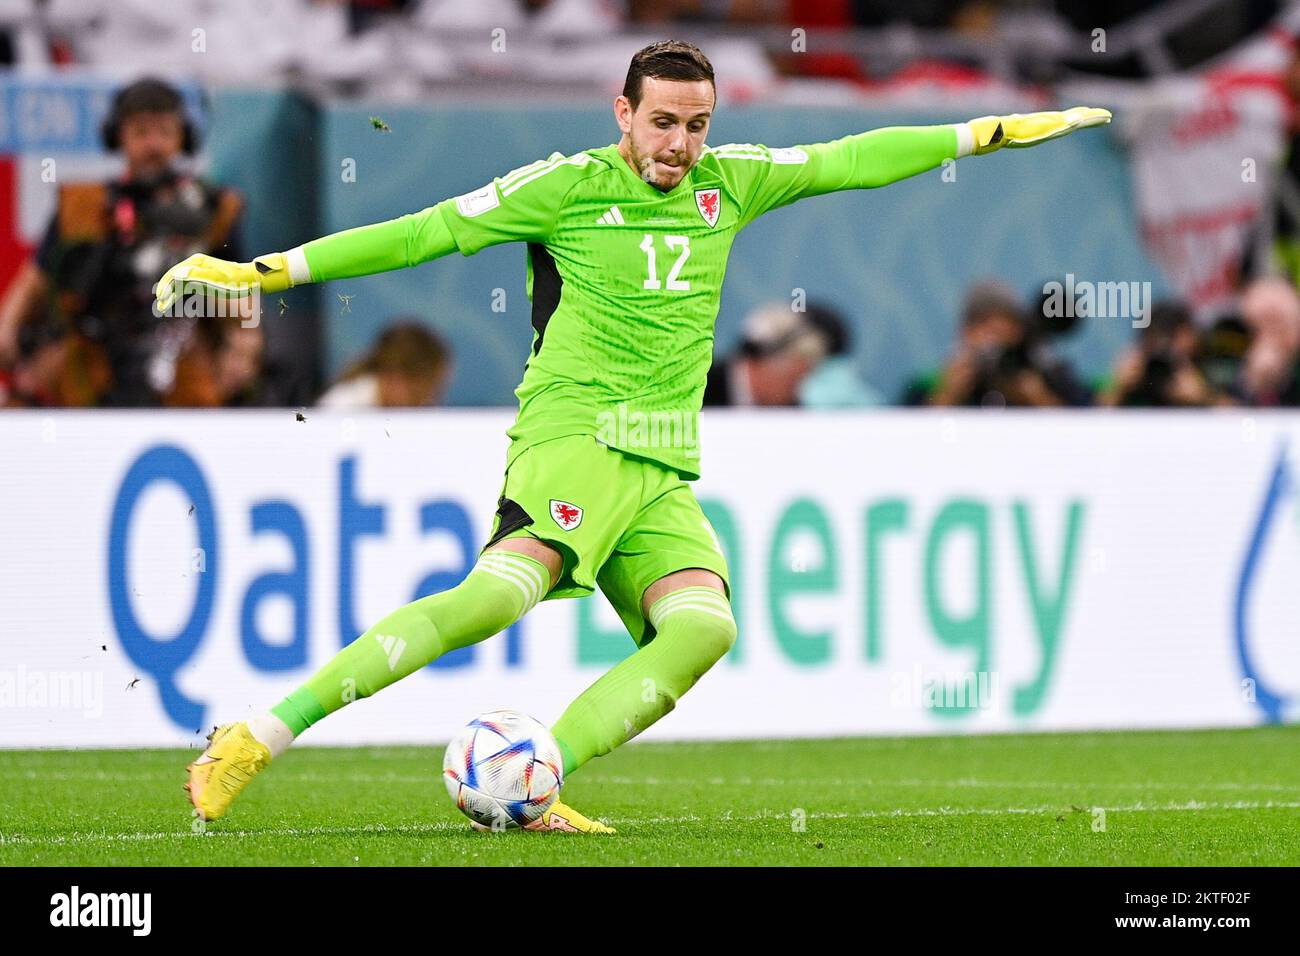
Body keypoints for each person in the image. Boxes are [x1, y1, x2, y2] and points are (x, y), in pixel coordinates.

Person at [155, 40, 1110, 833]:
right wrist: (265, 272)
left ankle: (535, 780)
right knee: (491, 602)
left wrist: (980, 132)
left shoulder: (731, 184)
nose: (681, 144)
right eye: (662, 122)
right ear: (622, 113)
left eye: (697, 125)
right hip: (573, 435)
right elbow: (422, 234)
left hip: (659, 462)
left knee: (704, 628)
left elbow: (851, 156)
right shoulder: (564, 189)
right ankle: (258, 734)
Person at [0, 77, 244, 406]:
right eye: (141, 132)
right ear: (118, 136)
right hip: (91, 359)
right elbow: (35, 279)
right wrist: (8, 326)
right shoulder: (83, 206)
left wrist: (242, 345)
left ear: (183, 138)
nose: (153, 145)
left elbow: (241, 292)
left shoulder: (212, 209)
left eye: (164, 132)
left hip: (179, 360)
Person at [317, 321, 451, 408]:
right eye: (420, 394)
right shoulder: (339, 408)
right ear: (394, 377)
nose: (428, 401)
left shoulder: (418, 417)